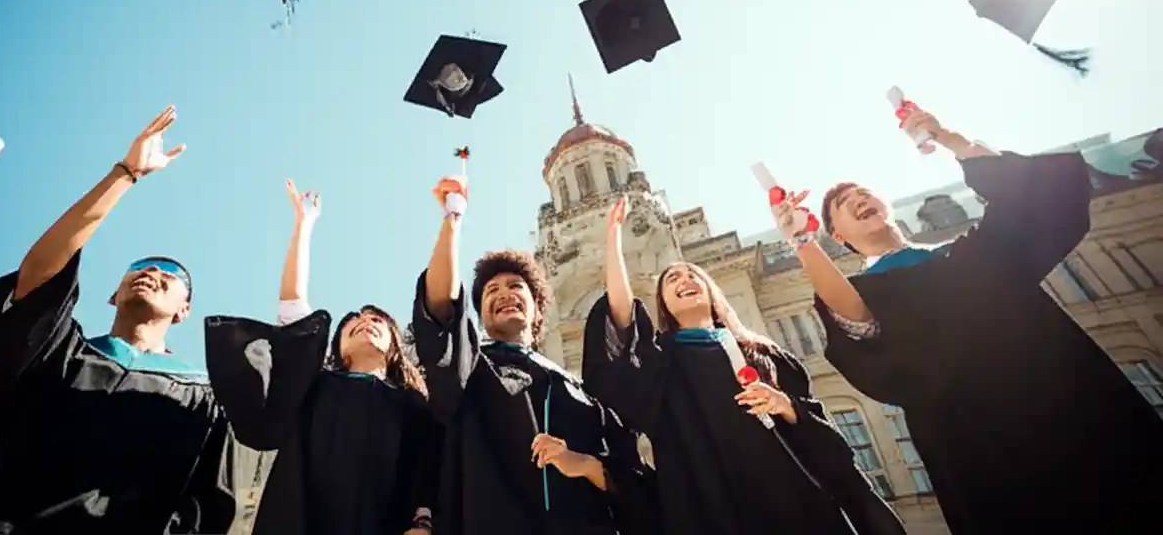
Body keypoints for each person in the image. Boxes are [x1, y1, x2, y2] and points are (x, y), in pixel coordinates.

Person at [795, 105, 1163, 533]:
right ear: (837, 237)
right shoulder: (873, 291)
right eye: (843, 202)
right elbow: (860, 328)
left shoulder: (971, 253)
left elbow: (1037, 197)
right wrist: (803, 243)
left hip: (1077, 413)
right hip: (983, 450)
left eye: (863, 191)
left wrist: (947, 136)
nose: (858, 197)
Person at [0, 106, 235, 534]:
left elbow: (203, 512)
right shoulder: (60, 354)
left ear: (184, 311)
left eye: (172, 273)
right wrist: (125, 174)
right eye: (141, 265)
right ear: (113, 294)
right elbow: (42, 274)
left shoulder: (204, 402)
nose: (153, 272)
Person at [582, 195, 905, 534]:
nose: (683, 281)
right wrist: (613, 238)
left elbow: (821, 433)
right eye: (671, 280)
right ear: (662, 304)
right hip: (713, 506)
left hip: (793, 500)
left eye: (692, 275)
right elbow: (620, 317)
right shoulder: (661, 362)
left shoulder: (761, 352)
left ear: (711, 291)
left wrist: (786, 406)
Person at [412, 175, 655, 535]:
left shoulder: (580, 393)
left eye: (515, 286)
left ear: (538, 309)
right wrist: (452, 221)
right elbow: (439, 308)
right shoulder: (473, 372)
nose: (503, 293)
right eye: (491, 290)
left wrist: (584, 464)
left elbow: (630, 478)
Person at [205, 181, 440, 535]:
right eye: (354, 322)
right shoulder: (314, 388)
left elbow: (427, 471)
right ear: (338, 349)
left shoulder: (414, 405)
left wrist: (423, 523)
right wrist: (304, 224)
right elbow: (293, 311)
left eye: (377, 320)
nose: (365, 323)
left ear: (396, 344)